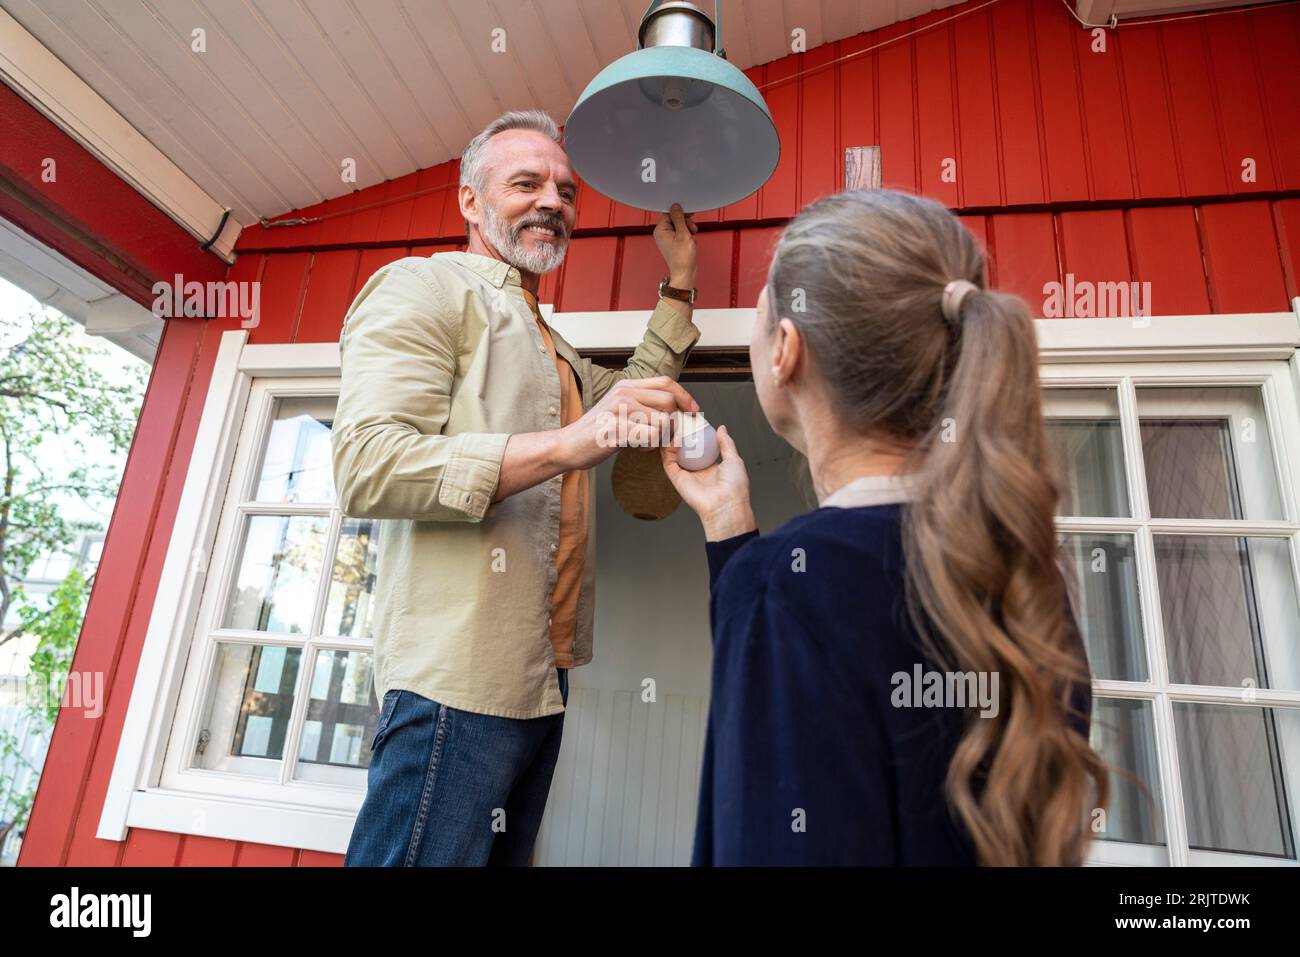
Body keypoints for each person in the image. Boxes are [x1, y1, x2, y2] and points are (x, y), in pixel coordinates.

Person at [663, 189, 1110, 866]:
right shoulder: (1023, 577)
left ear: (785, 348)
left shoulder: (788, 591)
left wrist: (758, 574)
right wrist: (733, 529)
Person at [334, 110, 701, 866]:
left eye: (566, 192)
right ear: (469, 201)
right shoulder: (421, 286)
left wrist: (683, 279)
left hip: (546, 679)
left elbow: (633, 395)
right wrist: (574, 441)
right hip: (455, 684)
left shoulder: (549, 340)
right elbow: (368, 462)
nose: (553, 202)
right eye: (526, 183)